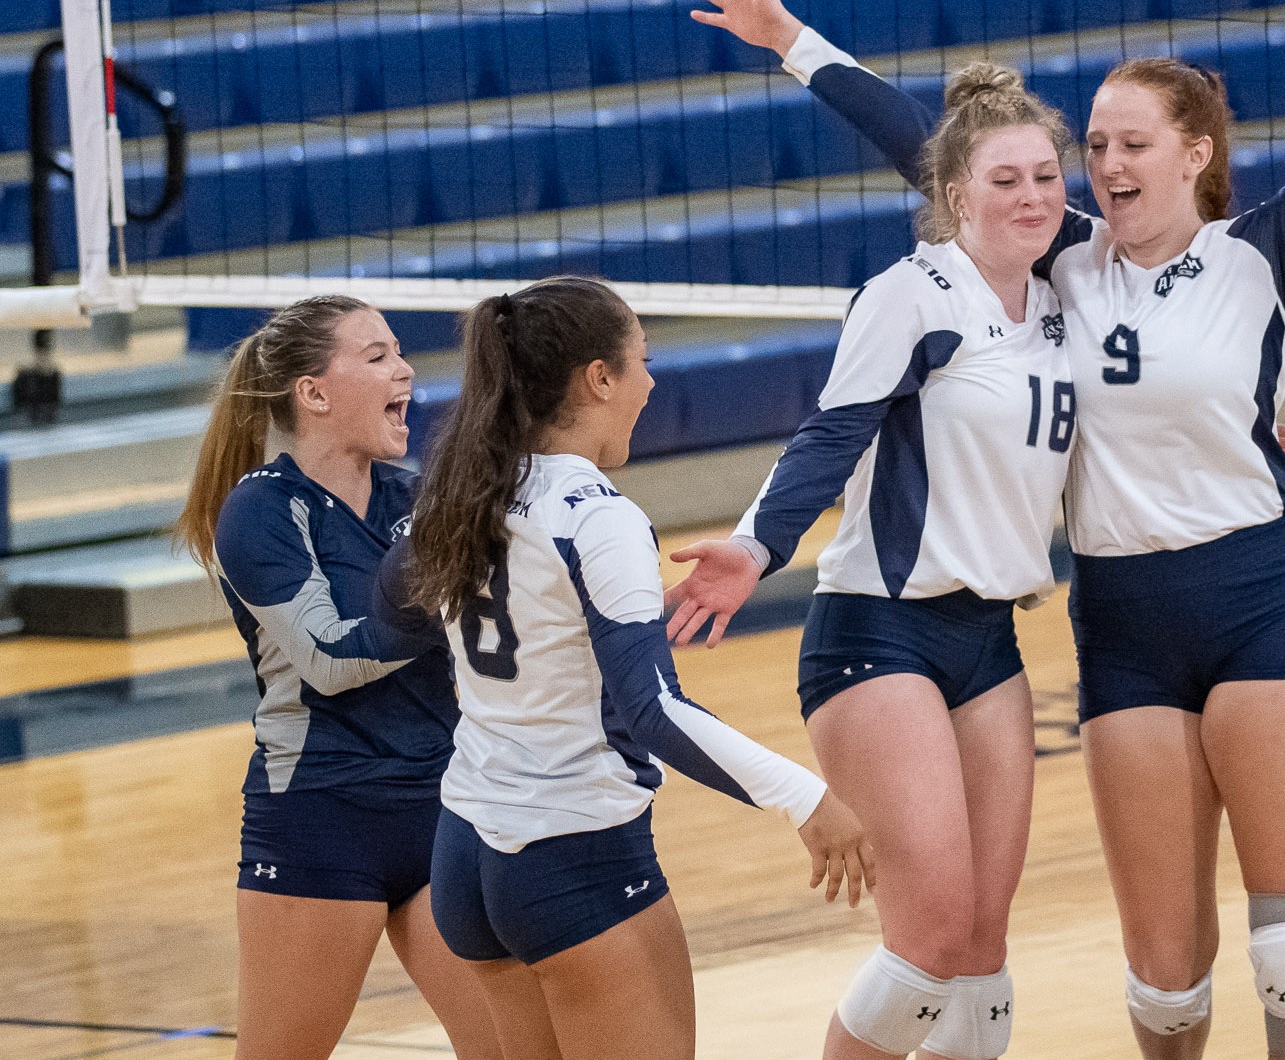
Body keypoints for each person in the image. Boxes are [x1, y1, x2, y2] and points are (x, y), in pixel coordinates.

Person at [685, 0, 1285, 1055]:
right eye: (1096, 146)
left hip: (1259, 594)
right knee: (1165, 983)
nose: (1102, 164)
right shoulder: (1059, 256)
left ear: (1191, 155)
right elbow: (931, 150)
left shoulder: (1263, 252)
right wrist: (787, 40)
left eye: (1128, 144)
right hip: (1118, 621)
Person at [664, 63, 1073, 1060]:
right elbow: (828, 436)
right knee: (928, 939)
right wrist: (755, 548)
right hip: (877, 631)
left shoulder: (1066, 295)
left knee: (979, 945)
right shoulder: (911, 295)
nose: (1030, 197)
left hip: (989, 638)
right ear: (950, 195)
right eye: (1004, 179)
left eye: (1045, 176)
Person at [385, 276, 871, 1060]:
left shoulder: (461, 490)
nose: (650, 382)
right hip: (571, 854)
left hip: (467, 852)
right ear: (599, 378)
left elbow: (388, 614)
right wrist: (804, 794)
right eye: (641, 359)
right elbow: (653, 710)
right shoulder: (596, 516)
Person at [173, 296, 503, 1060]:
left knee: (511, 1048)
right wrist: (445, 586)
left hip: (441, 805)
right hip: (321, 815)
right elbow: (330, 659)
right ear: (314, 393)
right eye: (378, 355)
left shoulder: (414, 497)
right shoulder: (260, 511)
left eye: (398, 351)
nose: (406, 368)